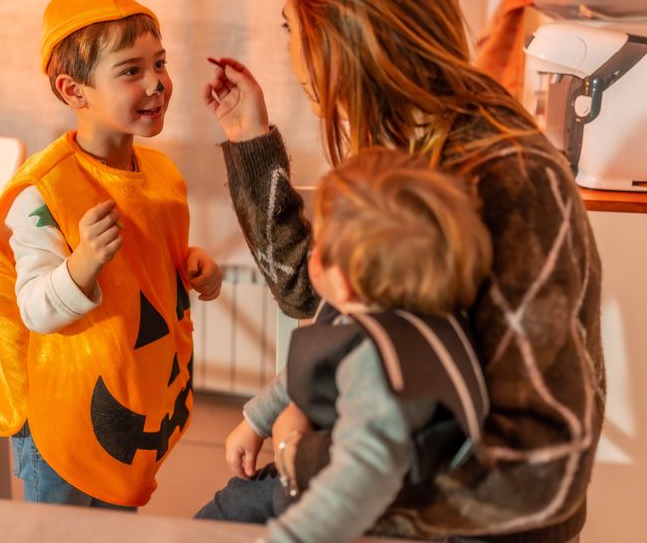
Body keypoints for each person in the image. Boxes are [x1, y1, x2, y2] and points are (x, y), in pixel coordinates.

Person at [201, 0, 603, 542]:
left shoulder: (511, 179)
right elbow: (316, 292)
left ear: (340, 40)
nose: (294, 58)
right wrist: (250, 140)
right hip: (366, 469)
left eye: (290, 31)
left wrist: (302, 460)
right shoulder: (404, 137)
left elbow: (541, 472)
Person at [0, 0, 222, 509]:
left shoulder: (160, 174)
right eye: (131, 70)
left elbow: (150, 261)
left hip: (136, 386)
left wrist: (193, 265)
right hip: (60, 411)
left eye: (160, 63)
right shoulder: (43, 196)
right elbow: (35, 309)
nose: (158, 83)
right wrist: (82, 263)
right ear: (74, 91)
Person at [197, 148, 493, 543]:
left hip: (367, 512)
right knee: (220, 513)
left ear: (345, 279)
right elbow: (309, 368)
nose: (311, 254)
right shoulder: (385, 310)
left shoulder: (380, 364)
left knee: (223, 518)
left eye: (321, 247)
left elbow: (358, 480)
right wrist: (257, 421)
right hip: (313, 467)